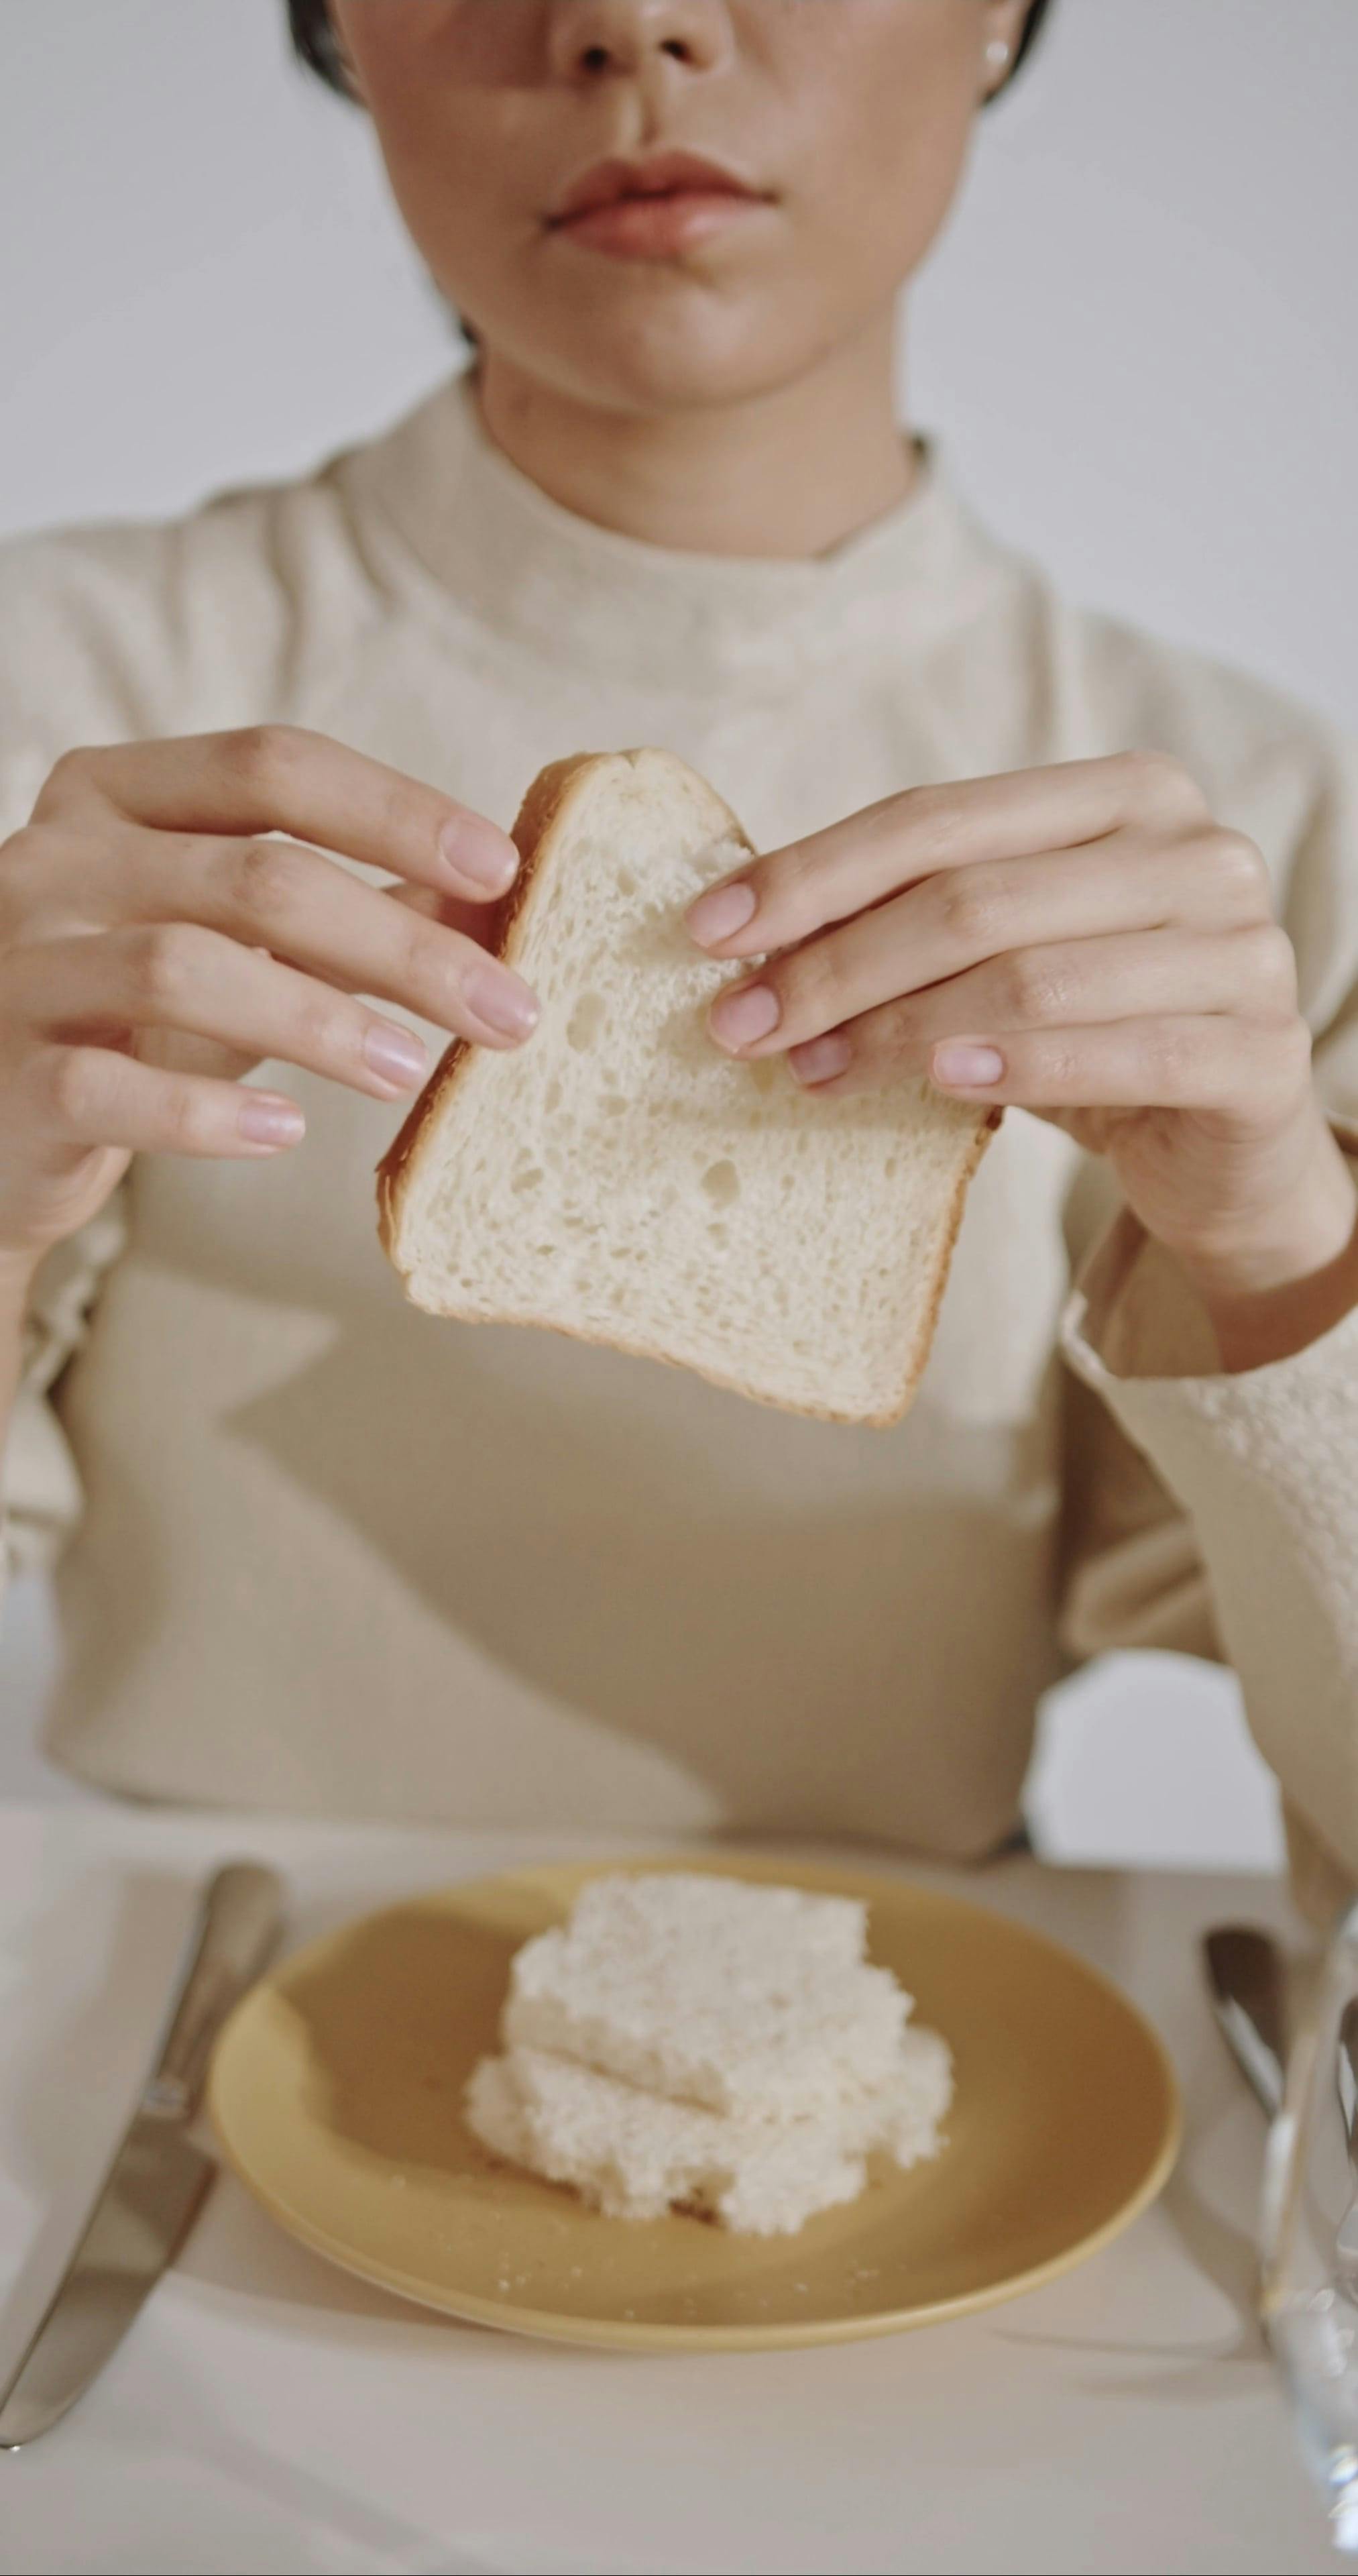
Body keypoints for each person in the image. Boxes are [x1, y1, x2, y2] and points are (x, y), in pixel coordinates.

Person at [1, 1, 1355, 1913]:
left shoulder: (1241, 830)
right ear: (337, 34)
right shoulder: (61, 714)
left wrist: (1275, 1246)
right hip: (163, 2007)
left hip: (907, 2036)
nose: (629, 21)